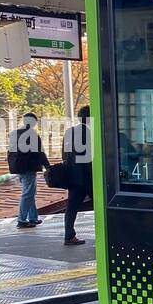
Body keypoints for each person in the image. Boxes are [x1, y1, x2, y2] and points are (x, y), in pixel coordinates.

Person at [6, 112, 50, 228]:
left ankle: (33, 218)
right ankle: (21, 220)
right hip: (28, 168)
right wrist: (48, 167)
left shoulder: (14, 133)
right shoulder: (33, 134)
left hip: (17, 167)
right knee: (27, 194)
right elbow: (40, 153)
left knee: (30, 193)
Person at [61, 105, 93, 247]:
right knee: (102, 205)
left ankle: (69, 235)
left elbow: (64, 155)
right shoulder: (91, 133)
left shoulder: (69, 132)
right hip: (89, 176)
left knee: (71, 207)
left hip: (72, 177)